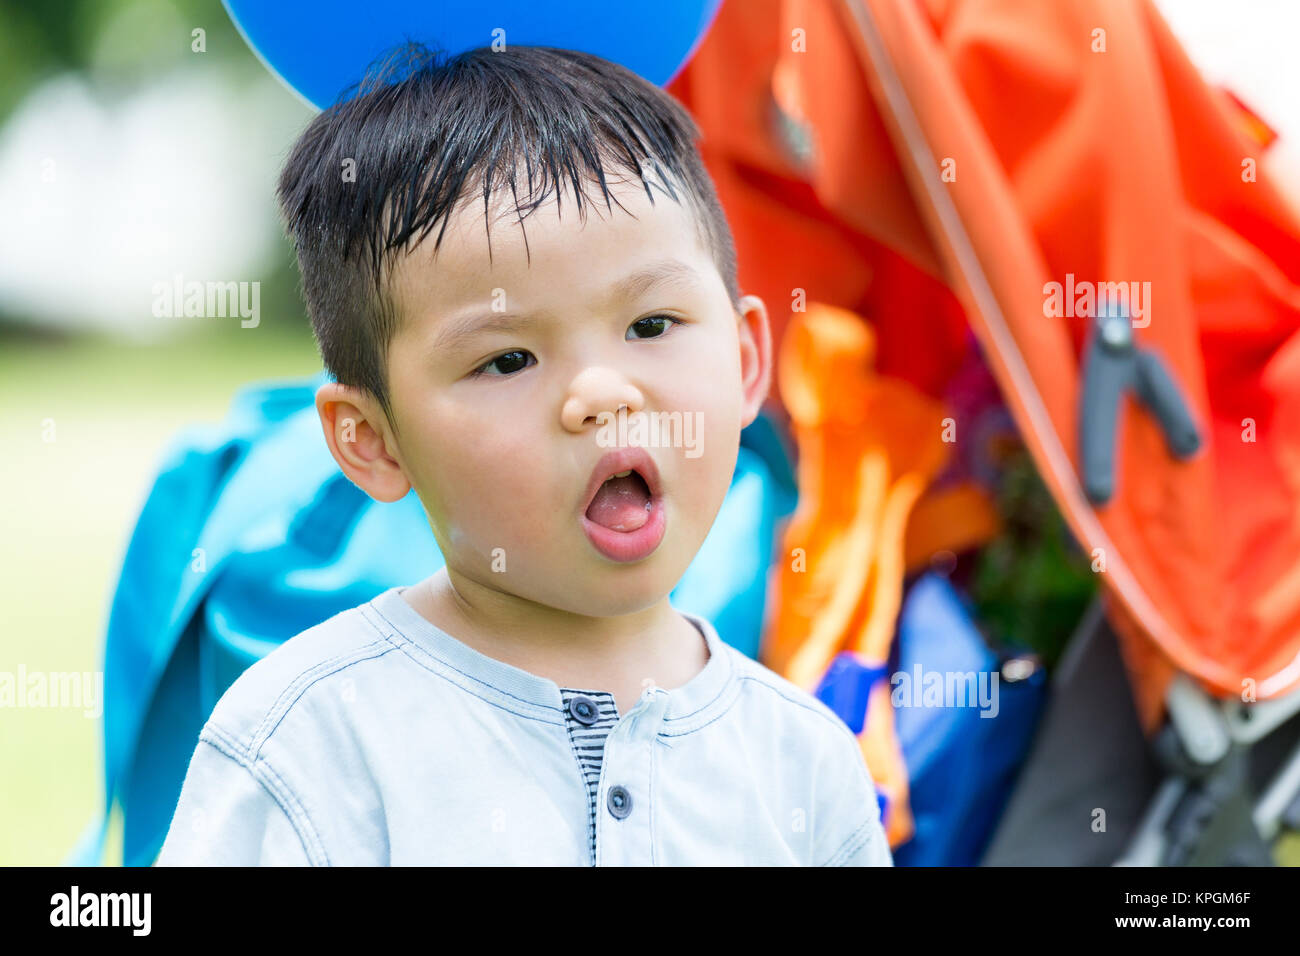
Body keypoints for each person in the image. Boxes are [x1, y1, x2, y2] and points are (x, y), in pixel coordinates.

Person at [155, 41, 892, 866]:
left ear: (748, 360)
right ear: (373, 441)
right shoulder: (311, 741)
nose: (603, 395)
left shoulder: (805, 765)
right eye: (507, 360)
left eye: (651, 325)